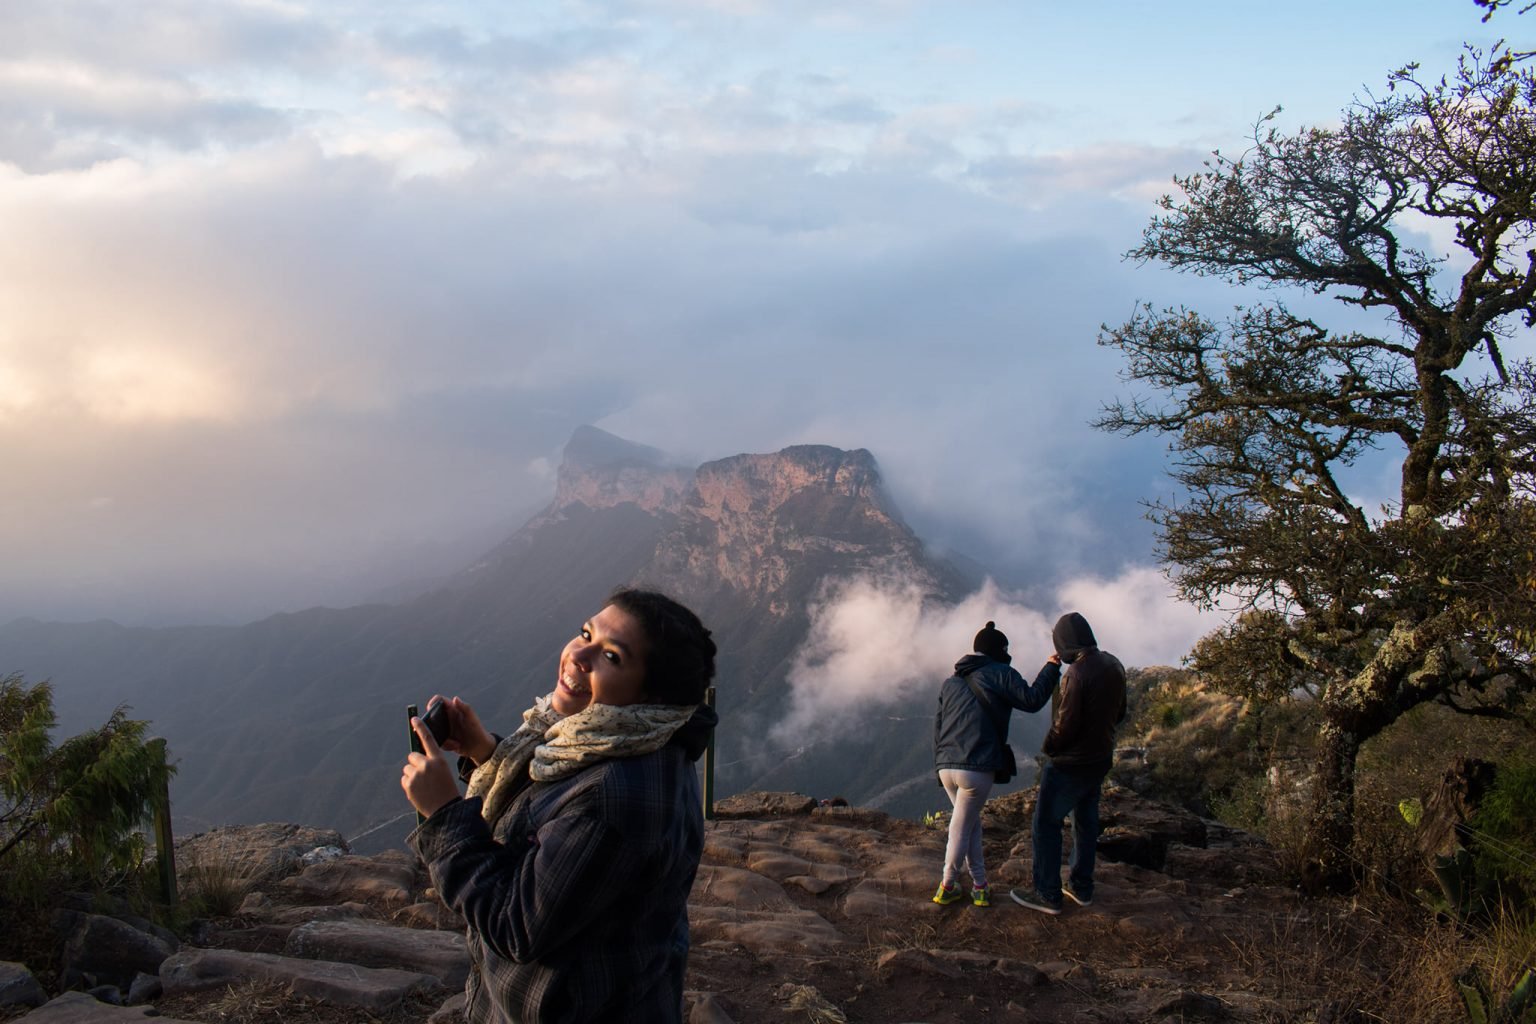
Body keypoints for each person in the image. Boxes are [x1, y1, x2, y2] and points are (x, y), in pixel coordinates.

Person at [400, 587, 719, 1023]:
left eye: (612, 657)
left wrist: (444, 815)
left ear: (652, 699)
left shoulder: (612, 798)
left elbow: (516, 925)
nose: (578, 656)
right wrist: (488, 754)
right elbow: (550, 820)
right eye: (585, 633)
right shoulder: (628, 742)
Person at [931, 620, 1059, 908]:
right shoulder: (1002, 673)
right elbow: (1033, 699)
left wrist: (939, 766)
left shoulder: (950, 682)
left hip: (946, 764)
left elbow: (937, 728)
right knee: (961, 828)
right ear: (999, 651)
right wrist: (1051, 668)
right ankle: (947, 883)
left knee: (970, 825)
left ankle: (980, 885)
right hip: (977, 767)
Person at [1010, 611, 1126, 916]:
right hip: (1099, 758)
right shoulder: (1114, 664)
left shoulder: (1077, 674)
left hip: (1070, 763)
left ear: (1064, 643)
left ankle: (1048, 893)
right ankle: (1082, 887)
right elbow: (1121, 712)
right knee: (1086, 823)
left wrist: (1049, 746)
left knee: (1045, 823)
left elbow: (1066, 724)